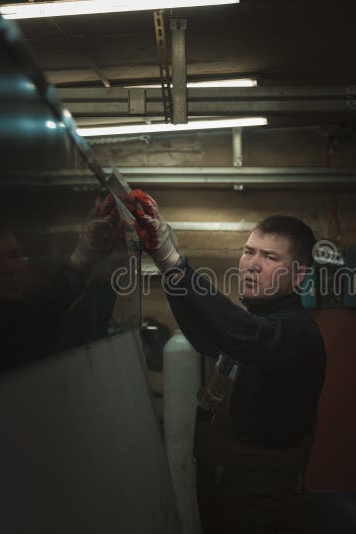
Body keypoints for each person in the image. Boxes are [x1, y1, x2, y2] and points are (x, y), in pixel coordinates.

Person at [123, 190, 327, 534]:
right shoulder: (255, 325)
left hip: (262, 513)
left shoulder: (297, 333)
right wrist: (167, 264)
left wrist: (176, 262)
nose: (252, 264)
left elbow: (244, 333)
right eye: (249, 251)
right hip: (224, 501)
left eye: (270, 257)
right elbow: (207, 334)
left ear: (299, 276)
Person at [0, 196, 124, 387]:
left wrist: (83, 260)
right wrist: (81, 261)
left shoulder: (24, 313)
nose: (9, 268)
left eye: (15, 255)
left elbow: (45, 311)